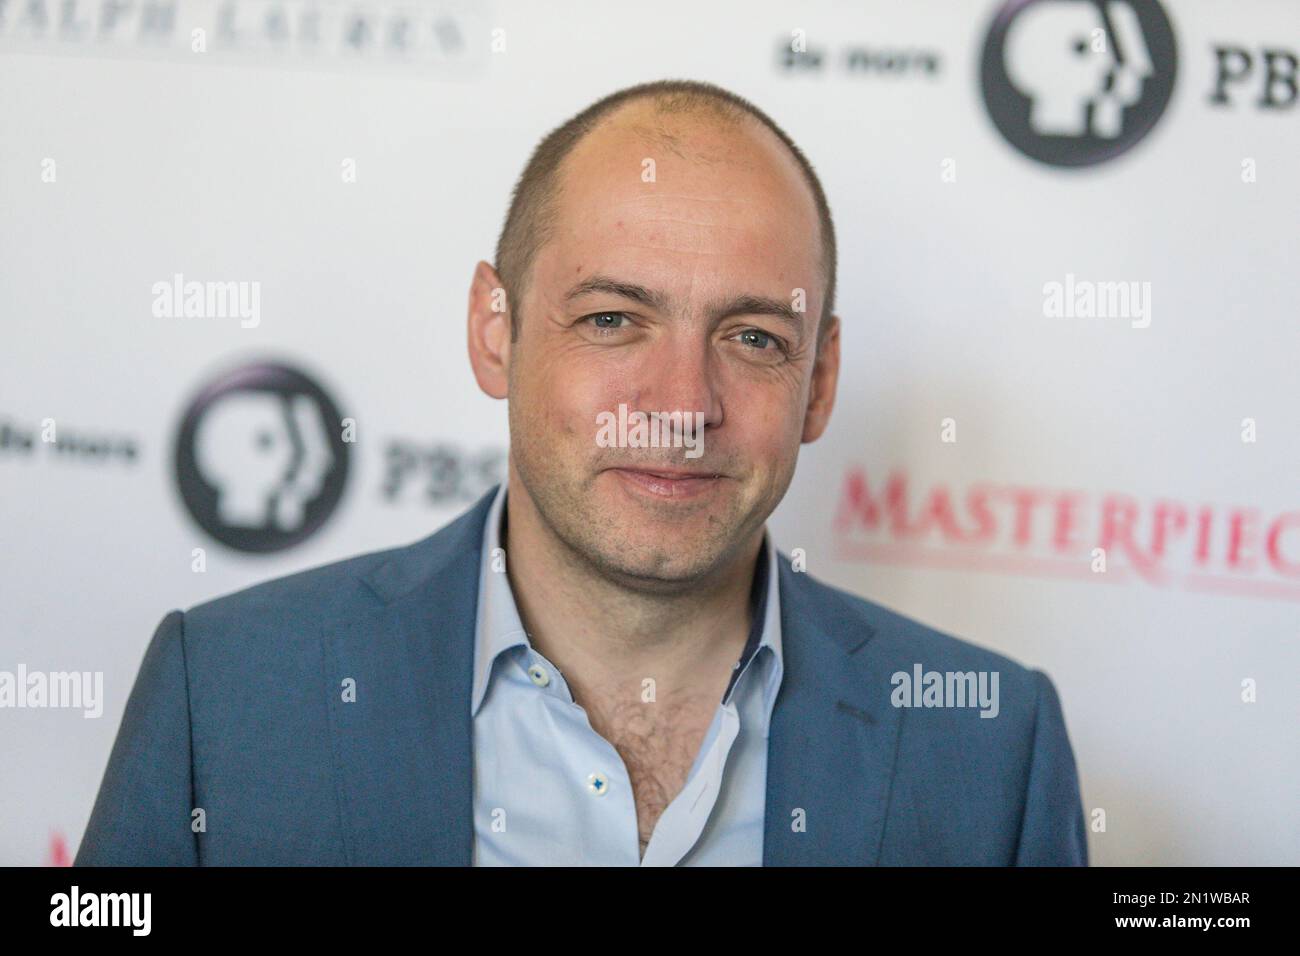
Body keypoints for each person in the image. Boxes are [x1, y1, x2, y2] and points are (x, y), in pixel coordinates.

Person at [76, 79, 1087, 866]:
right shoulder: (228, 692)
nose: (681, 402)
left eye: (751, 336)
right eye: (613, 319)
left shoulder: (990, 748)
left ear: (819, 379)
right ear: (495, 332)